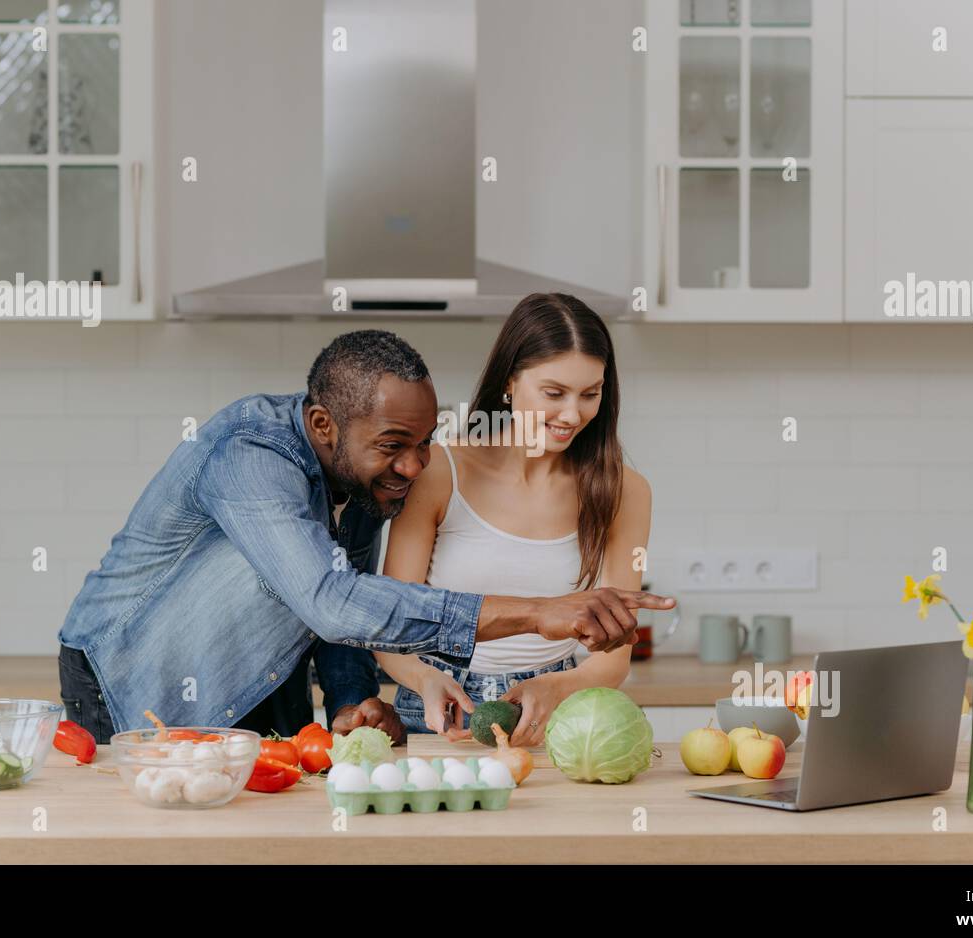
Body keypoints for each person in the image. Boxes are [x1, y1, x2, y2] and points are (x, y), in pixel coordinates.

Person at [56, 329, 674, 744]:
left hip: (267, 683)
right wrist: (537, 613)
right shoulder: (249, 457)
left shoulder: (366, 476)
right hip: (134, 679)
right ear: (324, 425)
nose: (414, 466)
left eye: (425, 443)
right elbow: (328, 598)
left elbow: (353, 613)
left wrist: (353, 703)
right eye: (393, 446)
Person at [376, 294, 648, 746]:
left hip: (555, 715)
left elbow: (614, 655)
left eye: (590, 394)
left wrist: (556, 687)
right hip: (439, 716)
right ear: (510, 381)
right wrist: (424, 679)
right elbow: (390, 623)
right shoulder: (441, 472)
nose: (571, 414)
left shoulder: (624, 491)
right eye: (554, 393)